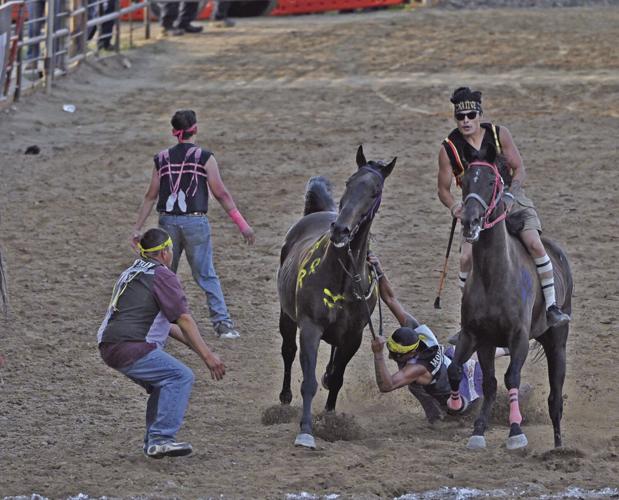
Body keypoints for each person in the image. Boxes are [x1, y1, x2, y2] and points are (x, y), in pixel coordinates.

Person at [437, 86, 570, 329]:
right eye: (460, 117)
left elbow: (519, 170)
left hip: (510, 198)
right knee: (466, 257)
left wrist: (511, 195)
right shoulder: (449, 148)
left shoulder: (499, 135)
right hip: (475, 208)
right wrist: (454, 205)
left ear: (480, 115)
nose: (466, 121)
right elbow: (443, 189)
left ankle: (551, 306)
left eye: (471, 116)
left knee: (534, 243)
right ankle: (466, 317)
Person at [97, 228, 226, 458]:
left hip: (109, 343)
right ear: (166, 252)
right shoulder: (163, 275)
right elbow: (183, 319)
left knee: (162, 382)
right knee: (180, 376)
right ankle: (162, 438)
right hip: (130, 345)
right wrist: (207, 356)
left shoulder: (132, 271)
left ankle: (152, 441)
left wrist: (194, 346)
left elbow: (166, 325)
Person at [132, 109, 255, 340]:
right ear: (195, 129)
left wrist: (137, 228)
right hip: (195, 221)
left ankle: (153, 323)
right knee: (206, 275)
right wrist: (242, 224)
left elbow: (150, 196)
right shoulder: (204, 157)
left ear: (174, 132)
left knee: (162, 274)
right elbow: (221, 194)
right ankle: (222, 324)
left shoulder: (162, 159)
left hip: (167, 221)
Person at [368, 254, 508, 423]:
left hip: (462, 399)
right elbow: (390, 299)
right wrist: (379, 271)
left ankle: (439, 417)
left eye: (396, 355)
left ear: (411, 353)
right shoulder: (420, 334)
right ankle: (505, 350)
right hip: (461, 368)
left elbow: (386, 385)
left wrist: (378, 354)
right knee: (453, 352)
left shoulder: (416, 368)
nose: (392, 356)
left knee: (414, 385)